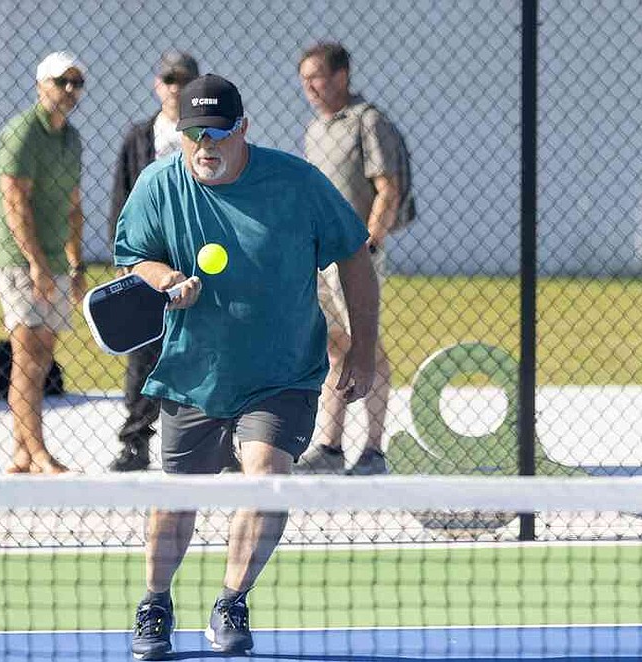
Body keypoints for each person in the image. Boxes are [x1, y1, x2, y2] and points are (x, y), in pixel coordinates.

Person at [113, 74, 379, 658]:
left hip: (281, 373)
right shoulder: (160, 184)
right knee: (178, 496)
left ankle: (232, 599)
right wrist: (164, 280)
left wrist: (362, 349)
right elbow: (135, 258)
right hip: (195, 372)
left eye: (217, 132)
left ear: (243, 129)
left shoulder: (297, 183)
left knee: (267, 479)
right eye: (193, 134)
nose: (205, 145)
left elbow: (355, 254)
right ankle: (155, 601)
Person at [297, 42, 397, 475]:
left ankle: (374, 449)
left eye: (317, 76)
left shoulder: (367, 122)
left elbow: (387, 189)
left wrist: (369, 243)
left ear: (342, 75)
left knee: (366, 345)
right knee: (335, 348)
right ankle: (331, 446)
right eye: (304, 79)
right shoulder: (316, 128)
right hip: (319, 257)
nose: (310, 87)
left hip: (355, 257)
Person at [0, 51, 87, 474]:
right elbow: (15, 203)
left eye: (76, 82)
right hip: (20, 261)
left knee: (42, 355)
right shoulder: (22, 132)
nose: (69, 90)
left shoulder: (72, 138)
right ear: (40, 85)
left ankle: (22, 452)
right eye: (60, 81)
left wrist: (75, 264)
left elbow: (72, 207)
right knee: (28, 354)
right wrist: (36, 264)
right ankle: (39, 452)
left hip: (52, 263)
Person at [107, 50, 199, 472]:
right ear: (157, 84)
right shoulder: (140, 137)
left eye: (184, 80)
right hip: (149, 254)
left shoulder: (206, 135)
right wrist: (125, 256)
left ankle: (213, 435)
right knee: (145, 349)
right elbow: (121, 200)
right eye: (169, 79)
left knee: (205, 345)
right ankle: (136, 440)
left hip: (196, 252)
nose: (176, 87)